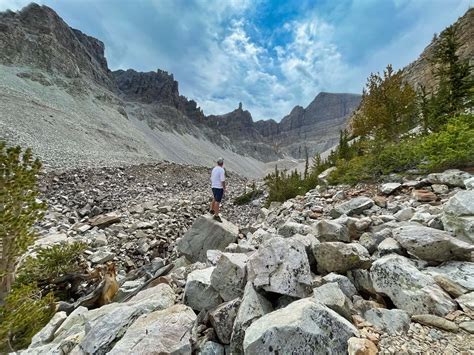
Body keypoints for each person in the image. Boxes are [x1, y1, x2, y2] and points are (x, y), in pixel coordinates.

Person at [210, 157, 226, 222]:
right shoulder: (222, 170)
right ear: (222, 163)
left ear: (217, 162)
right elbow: (222, 180)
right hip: (219, 187)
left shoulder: (214, 169)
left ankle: (211, 210)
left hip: (213, 186)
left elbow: (211, 178)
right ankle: (216, 215)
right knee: (218, 201)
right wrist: (224, 188)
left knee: (214, 198)